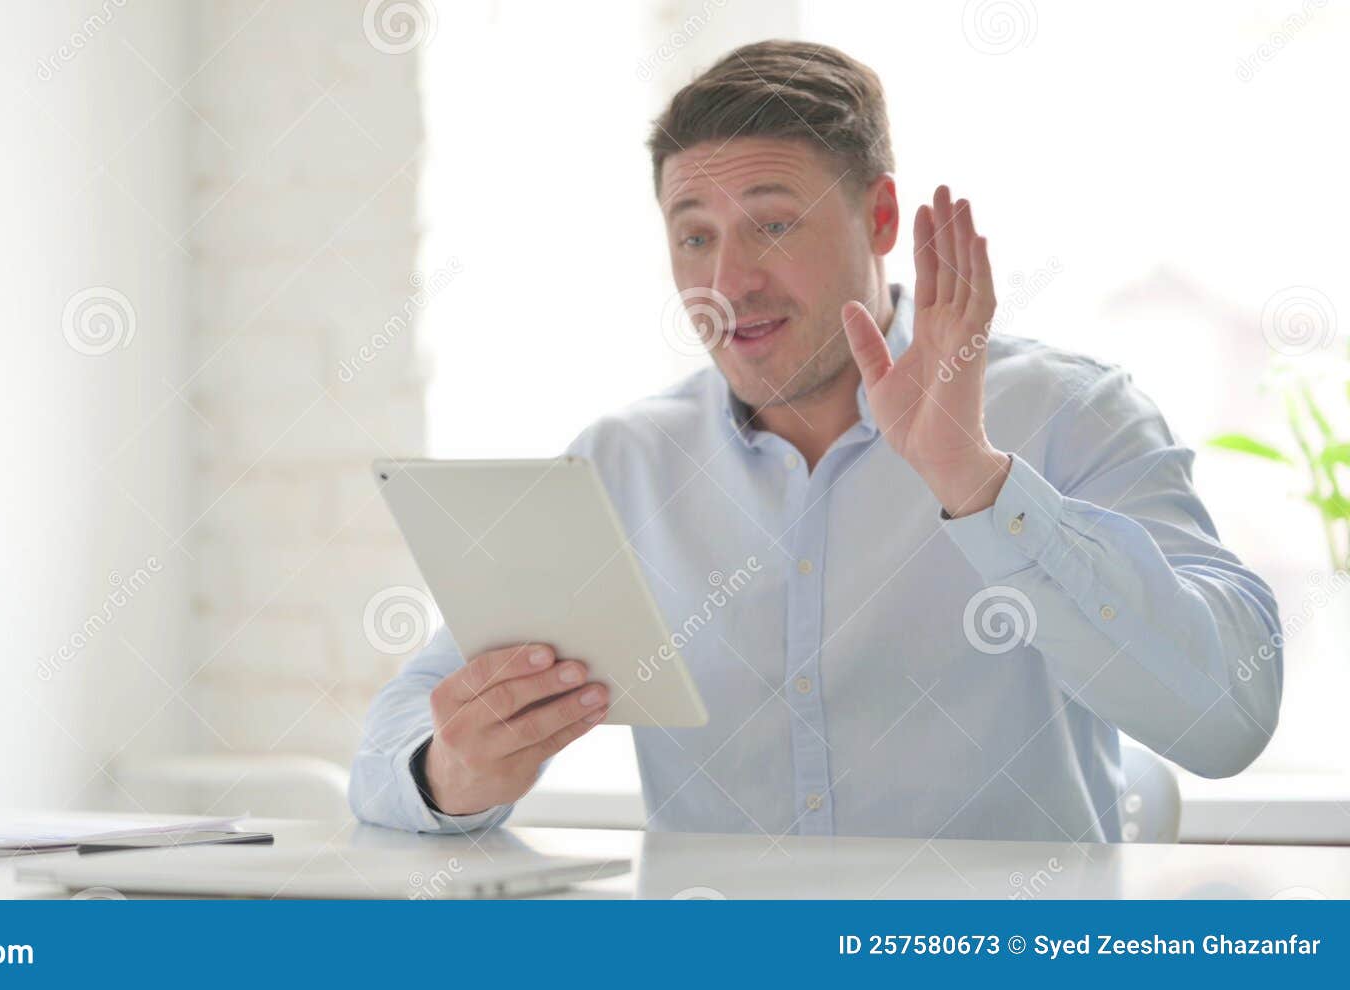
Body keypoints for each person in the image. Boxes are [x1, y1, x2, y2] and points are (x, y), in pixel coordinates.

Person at [349, 39, 1282, 841]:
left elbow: (1228, 719)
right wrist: (454, 772)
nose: (729, 282)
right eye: (694, 236)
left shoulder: (1069, 412)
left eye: (773, 223)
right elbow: (393, 745)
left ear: (878, 219)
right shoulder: (624, 466)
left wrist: (982, 487)